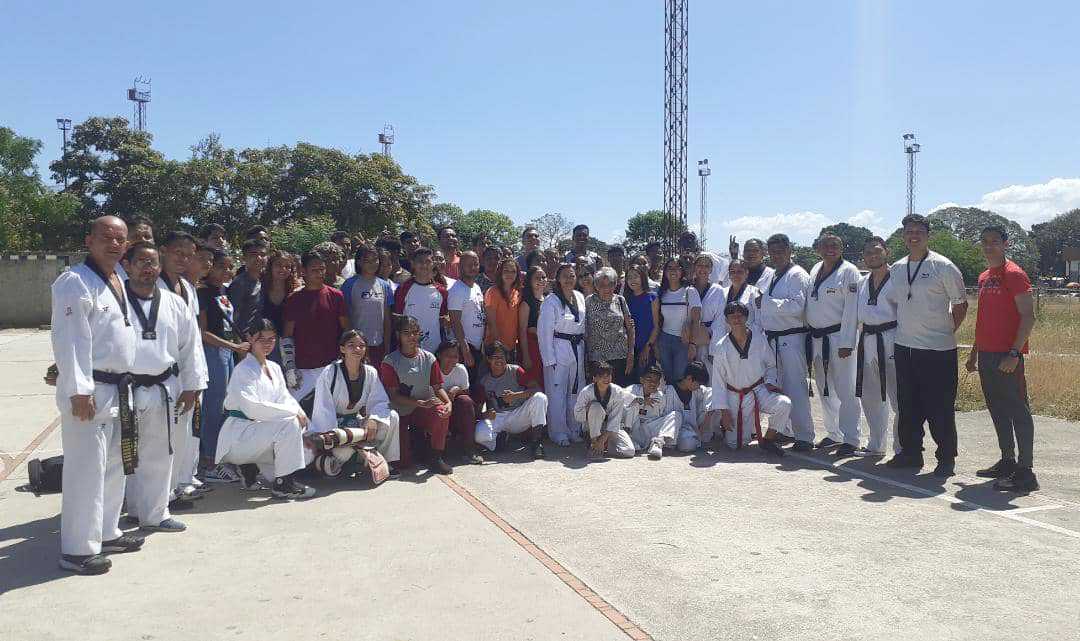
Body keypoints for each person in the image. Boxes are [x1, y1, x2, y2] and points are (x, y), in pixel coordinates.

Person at [51, 216, 145, 574]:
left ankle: (106, 532)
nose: (114, 243)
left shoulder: (118, 278)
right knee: (85, 471)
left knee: (114, 467)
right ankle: (76, 550)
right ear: (89, 239)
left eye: (121, 238)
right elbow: (70, 338)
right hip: (90, 389)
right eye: (106, 237)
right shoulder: (75, 281)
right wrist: (79, 390)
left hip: (119, 388)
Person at [118, 243, 204, 532]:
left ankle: (156, 513)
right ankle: (131, 509)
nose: (147, 268)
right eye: (140, 262)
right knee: (124, 455)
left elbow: (190, 346)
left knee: (160, 453)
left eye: (152, 263)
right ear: (127, 265)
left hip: (164, 385)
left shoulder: (173, 302)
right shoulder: (114, 299)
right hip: (123, 388)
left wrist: (192, 385)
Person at [886, 214, 969, 477]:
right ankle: (911, 453)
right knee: (908, 405)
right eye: (909, 231)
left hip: (937, 350)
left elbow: (960, 304)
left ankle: (946, 458)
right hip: (905, 347)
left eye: (919, 231)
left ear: (928, 235)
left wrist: (945, 331)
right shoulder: (897, 268)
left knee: (939, 407)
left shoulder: (943, 266)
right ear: (903, 236)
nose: (914, 236)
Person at [968, 225, 1039, 492]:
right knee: (997, 409)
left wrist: (1014, 353)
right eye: (985, 241)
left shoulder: (1015, 274)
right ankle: (1007, 460)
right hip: (986, 354)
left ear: (1006, 244)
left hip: (1007, 355)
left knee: (1018, 411)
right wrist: (975, 352)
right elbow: (985, 318)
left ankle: (1026, 472)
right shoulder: (985, 276)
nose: (989, 246)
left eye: (995, 241)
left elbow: (1028, 316)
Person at [215, 319, 316, 499]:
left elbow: (285, 398)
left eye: (272, 339)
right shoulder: (243, 370)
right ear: (250, 339)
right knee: (290, 424)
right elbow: (253, 408)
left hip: (262, 433)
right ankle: (283, 484)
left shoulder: (275, 367)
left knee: (307, 452)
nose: (268, 344)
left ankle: (250, 468)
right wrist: (294, 414)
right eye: (262, 339)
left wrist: (303, 419)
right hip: (240, 435)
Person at [155, 231, 209, 506]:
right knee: (159, 441)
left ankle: (176, 487)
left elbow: (194, 338)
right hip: (159, 374)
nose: (183, 259)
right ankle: (156, 496)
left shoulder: (187, 288)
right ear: (163, 251)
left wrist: (195, 379)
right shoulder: (151, 286)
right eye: (178, 252)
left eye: (188, 255)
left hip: (186, 373)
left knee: (183, 434)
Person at [308, 330, 401, 479]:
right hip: (335, 427)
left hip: (357, 424)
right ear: (342, 349)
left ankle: (384, 460)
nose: (357, 349)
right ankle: (344, 459)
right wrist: (332, 438)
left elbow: (380, 401)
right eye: (351, 345)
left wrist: (373, 419)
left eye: (361, 346)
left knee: (392, 416)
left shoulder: (370, 372)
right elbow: (322, 409)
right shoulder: (330, 372)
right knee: (343, 453)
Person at [804, 233, 861, 457]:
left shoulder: (849, 271)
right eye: (826, 245)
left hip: (839, 337)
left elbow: (852, 309)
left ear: (841, 248)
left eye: (835, 245)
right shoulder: (815, 268)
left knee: (846, 389)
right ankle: (833, 432)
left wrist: (847, 341)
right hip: (817, 338)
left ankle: (851, 437)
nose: (831, 249)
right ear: (818, 248)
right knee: (824, 387)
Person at [755, 233, 813, 450]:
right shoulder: (773, 275)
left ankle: (805, 436)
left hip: (792, 338)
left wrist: (767, 302)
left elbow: (797, 307)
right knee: (778, 387)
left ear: (790, 250)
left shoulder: (797, 275)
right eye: (773, 252)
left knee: (795, 387)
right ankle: (785, 430)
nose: (776, 256)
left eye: (780, 251)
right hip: (773, 339)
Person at [707, 302, 789, 456]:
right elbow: (718, 382)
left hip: (757, 390)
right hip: (734, 395)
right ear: (726, 320)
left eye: (740, 315)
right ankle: (733, 429)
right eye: (732, 315)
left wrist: (770, 383)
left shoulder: (759, 339)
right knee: (735, 443)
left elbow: (771, 365)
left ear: (746, 317)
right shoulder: (721, 347)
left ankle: (769, 440)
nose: (736, 318)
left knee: (784, 404)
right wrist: (724, 411)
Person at [196, 248, 249, 483]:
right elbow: (204, 332)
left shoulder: (223, 291)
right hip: (213, 351)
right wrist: (233, 346)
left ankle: (220, 454)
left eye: (229, 267)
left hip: (227, 351)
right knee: (213, 406)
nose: (226, 271)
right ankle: (209, 460)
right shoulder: (202, 293)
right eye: (221, 266)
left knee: (226, 405)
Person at [379, 316, 453, 473]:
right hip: (400, 413)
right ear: (398, 335)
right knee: (403, 463)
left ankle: (435, 457)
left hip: (422, 410)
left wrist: (448, 403)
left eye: (415, 332)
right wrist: (418, 402)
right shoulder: (390, 361)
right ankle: (416, 443)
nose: (412, 337)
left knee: (441, 411)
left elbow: (437, 387)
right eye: (407, 333)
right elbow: (393, 396)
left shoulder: (429, 358)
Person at [281, 252, 349, 403]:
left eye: (322, 269)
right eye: (314, 270)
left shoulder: (336, 296)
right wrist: (290, 367)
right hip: (302, 370)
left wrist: (344, 362)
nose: (320, 273)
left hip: (331, 367)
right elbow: (287, 335)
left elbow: (347, 331)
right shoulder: (294, 300)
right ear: (303, 271)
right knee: (298, 416)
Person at [854, 237, 900, 457]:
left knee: (898, 396)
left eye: (877, 251)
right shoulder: (863, 283)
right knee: (870, 395)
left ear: (886, 252)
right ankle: (876, 444)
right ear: (863, 257)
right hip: (867, 339)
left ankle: (902, 448)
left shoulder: (898, 278)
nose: (873, 256)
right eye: (868, 253)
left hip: (893, 338)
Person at [538, 263, 587, 446]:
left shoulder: (580, 297)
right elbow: (544, 332)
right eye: (565, 276)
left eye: (572, 276)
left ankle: (574, 429)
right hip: (558, 349)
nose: (569, 279)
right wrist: (549, 359)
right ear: (558, 279)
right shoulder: (551, 300)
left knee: (576, 390)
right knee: (557, 393)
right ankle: (558, 432)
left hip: (577, 348)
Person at [475, 341, 548, 460]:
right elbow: (478, 411)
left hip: (518, 414)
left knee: (540, 398)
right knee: (479, 435)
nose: (499, 361)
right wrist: (485, 414)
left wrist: (515, 395)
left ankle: (536, 443)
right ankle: (500, 442)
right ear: (488, 359)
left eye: (502, 357)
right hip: (498, 417)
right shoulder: (484, 381)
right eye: (495, 357)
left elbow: (537, 388)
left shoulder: (515, 370)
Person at [342, 244, 395, 366]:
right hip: (357, 346)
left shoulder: (384, 285)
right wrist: (351, 344)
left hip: (378, 345)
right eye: (367, 261)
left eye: (375, 260)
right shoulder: (349, 285)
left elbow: (386, 319)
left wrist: (386, 347)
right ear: (359, 262)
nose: (372, 264)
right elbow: (346, 318)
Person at [573, 361, 636, 460]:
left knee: (628, 451)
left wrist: (602, 440)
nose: (606, 379)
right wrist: (587, 409)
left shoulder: (617, 391)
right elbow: (577, 416)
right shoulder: (586, 392)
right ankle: (593, 444)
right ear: (594, 378)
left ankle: (602, 446)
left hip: (610, 429)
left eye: (608, 375)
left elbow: (616, 418)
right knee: (595, 407)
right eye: (602, 376)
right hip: (591, 427)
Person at [585, 267, 635, 386]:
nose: (606, 288)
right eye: (602, 284)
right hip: (597, 359)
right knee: (600, 395)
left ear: (615, 284)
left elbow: (630, 328)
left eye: (611, 284)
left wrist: (631, 354)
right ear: (596, 286)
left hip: (620, 357)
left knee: (620, 394)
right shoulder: (589, 301)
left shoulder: (620, 300)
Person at [393, 247, 449, 354]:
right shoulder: (403, 289)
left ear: (433, 264)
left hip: (434, 349)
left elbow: (443, 320)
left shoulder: (442, 291)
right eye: (420, 262)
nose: (424, 265)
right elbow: (397, 320)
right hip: (408, 349)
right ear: (413, 264)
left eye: (428, 261)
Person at [448, 251, 488, 400]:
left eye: (476, 264)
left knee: (473, 386)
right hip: (464, 347)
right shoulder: (457, 290)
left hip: (477, 347)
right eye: (468, 264)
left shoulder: (476, 287)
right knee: (463, 389)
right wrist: (464, 350)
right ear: (460, 267)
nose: (473, 267)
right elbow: (455, 321)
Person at [656, 258, 701, 385]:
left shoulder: (690, 291)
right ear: (665, 272)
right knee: (667, 378)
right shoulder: (662, 293)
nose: (673, 271)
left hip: (683, 341)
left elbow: (696, 320)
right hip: (664, 340)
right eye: (669, 268)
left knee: (680, 377)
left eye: (677, 268)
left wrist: (693, 344)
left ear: (682, 272)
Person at [625, 364, 681, 460]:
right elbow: (621, 403)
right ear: (641, 380)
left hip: (649, 428)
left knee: (676, 415)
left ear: (659, 384)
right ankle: (630, 440)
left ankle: (657, 443)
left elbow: (662, 418)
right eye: (649, 379)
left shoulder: (660, 396)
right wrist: (641, 400)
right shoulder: (632, 389)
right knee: (632, 404)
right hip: (633, 429)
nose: (652, 383)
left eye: (655, 381)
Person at [435, 340, 479, 463]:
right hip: (437, 407)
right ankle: (438, 451)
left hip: (456, 408)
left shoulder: (460, 369)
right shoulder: (433, 369)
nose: (452, 359)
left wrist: (457, 390)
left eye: (455, 356)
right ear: (439, 355)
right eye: (448, 355)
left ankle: (469, 448)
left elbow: (466, 392)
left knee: (466, 401)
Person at [260, 250, 300, 364]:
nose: (283, 269)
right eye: (278, 265)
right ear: (270, 267)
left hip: (289, 343)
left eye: (287, 267)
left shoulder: (295, 291)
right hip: (265, 342)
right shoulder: (260, 288)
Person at [227, 238, 269, 341]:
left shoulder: (265, 280)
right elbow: (233, 317)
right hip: (244, 342)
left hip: (261, 340)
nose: (259, 258)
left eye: (262, 255)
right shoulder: (239, 284)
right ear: (244, 258)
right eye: (253, 254)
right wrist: (239, 344)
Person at [624, 263, 660, 379]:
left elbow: (656, 326)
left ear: (643, 277)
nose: (632, 280)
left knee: (646, 381)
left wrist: (647, 347)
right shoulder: (625, 299)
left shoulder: (652, 297)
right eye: (629, 277)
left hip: (647, 348)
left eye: (635, 276)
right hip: (629, 349)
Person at [485, 256, 522, 357]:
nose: (509, 274)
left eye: (513, 271)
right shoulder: (492, 292)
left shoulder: (517, 293)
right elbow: (491, 323)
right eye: (506, 270)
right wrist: (500, 348)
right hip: (496, 348)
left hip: (512, 347)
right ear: (500, 272)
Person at [692, 254, 725, 364]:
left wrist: (713, 349)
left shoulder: (718, 290)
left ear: (711, 269)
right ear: (694, 267)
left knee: (708, 375)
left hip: (709, 339)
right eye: (699, 265)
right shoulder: (688, 288)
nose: (703, 269)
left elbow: (720, 320)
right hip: (688, 337)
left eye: (707, 266)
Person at [518, 266, 548, 387]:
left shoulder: (547, 300)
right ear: (529, 281)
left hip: (545, 348)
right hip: (532, 347)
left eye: (543, 277)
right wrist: (526, 356)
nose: (541, 280)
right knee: (535, 382)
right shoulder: (526, 303)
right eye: (537, 278)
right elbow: (522, 330)